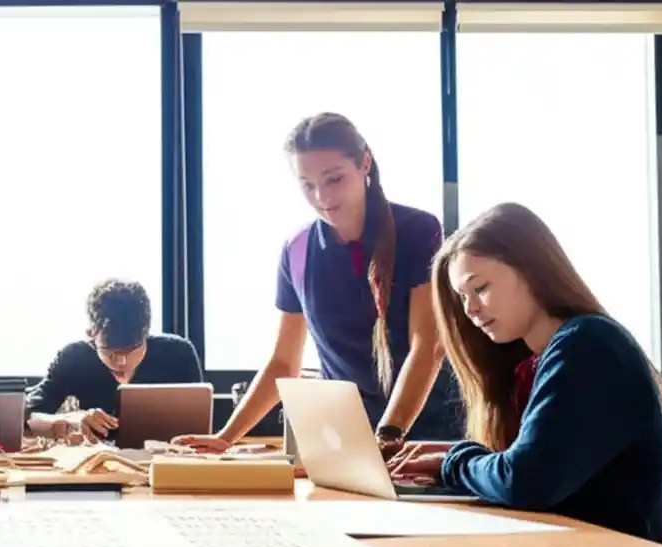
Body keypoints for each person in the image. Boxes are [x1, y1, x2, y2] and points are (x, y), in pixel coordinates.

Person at [175, 112, 460, 455]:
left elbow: (427, 343)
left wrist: (389, 434)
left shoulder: (418, 230)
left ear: (364, 163)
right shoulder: (297, 251)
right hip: (348, 442)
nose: (322, 197)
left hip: (428, 437)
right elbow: (284, 362)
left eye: (334, 179)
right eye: (307, 185)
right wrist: (226, 437)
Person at [387, 203, 662, 542]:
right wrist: (452, 458)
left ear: (531, 271)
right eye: (463, 297)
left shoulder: (589, 345)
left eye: (481, 288)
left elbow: (525, 481)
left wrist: (454, 462)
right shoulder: (533, 363)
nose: (470, 310)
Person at [26, 278, 202, 440]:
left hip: (168, 461)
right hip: (97, 466)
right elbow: (29, 416)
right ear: (91, 334)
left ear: (146, 332)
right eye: (110, 352)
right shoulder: (74, 357)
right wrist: (71, 420)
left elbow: (200, 425)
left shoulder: (178, 354)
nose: (121, 362)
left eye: (132, 350)